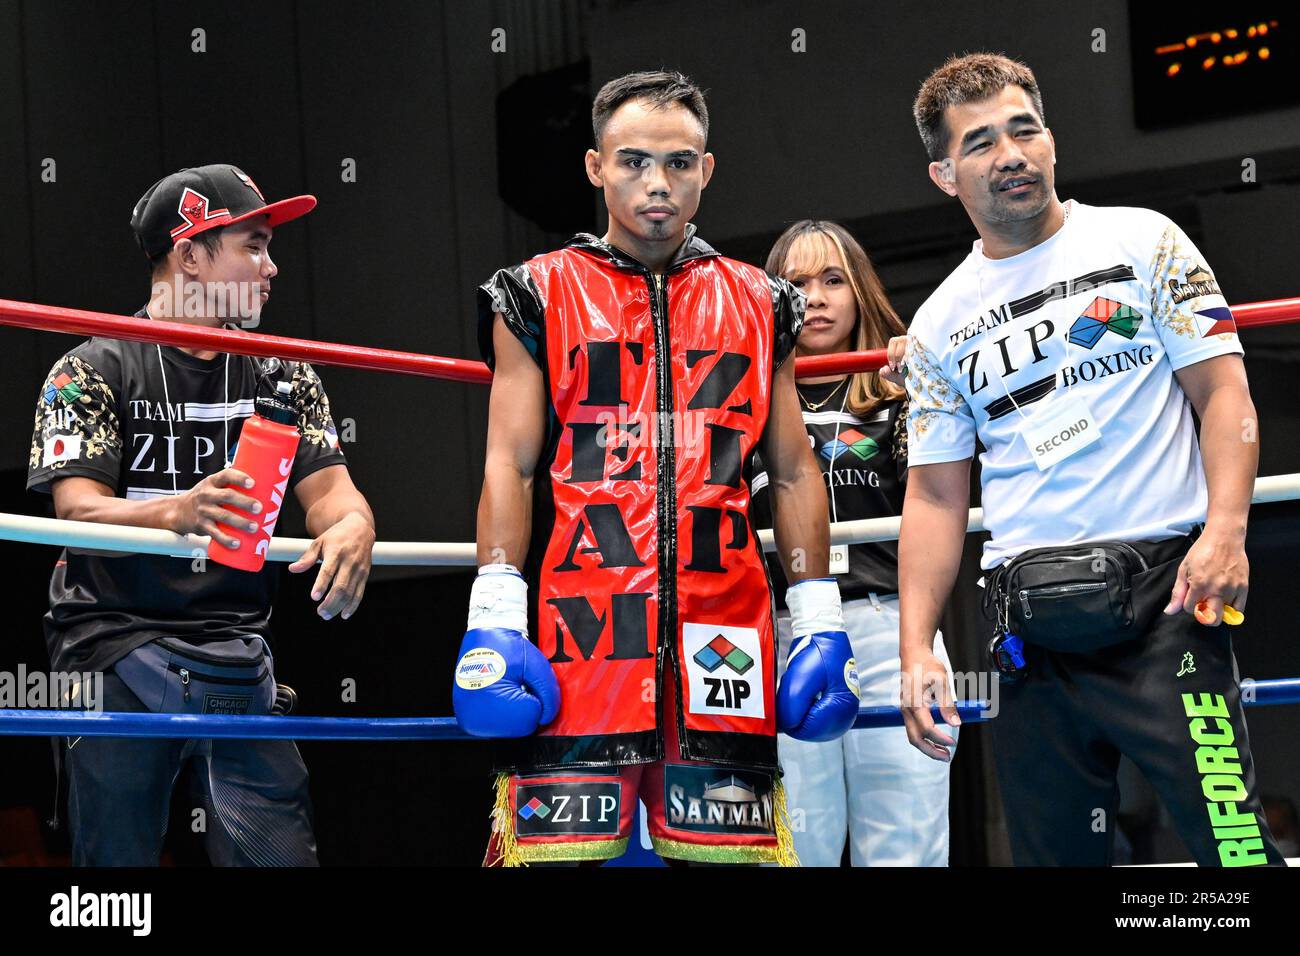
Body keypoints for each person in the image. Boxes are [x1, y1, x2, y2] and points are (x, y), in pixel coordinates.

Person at [453, 71, 860, 866]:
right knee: (566, 856)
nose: (656, 184)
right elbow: (511, 460)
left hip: (724, 632)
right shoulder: (535, 293)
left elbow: (794, 471)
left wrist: (818, 616)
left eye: (679, 163)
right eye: (633, 161)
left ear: (706, 170)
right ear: (595, 167)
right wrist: (494, 611)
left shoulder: (760, 299)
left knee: (724, 858)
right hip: (582, 632)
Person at [896, 53, 1284, 866]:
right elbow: (934, 496)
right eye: (979, 142)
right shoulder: (937, 325)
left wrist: (1227, 530)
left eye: (1023, 129)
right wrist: (916, 647)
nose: (1010, 153)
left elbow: (1226, 398)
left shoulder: (1145, 240)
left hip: (1169, 602)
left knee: (1235, 852)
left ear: (1052, 140)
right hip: (1026, 633)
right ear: (943, 173)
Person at [27, 164, 376, 866]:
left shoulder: (285, 373)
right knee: (113, 879)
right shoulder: (88, 368)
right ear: (190, 255)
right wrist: (175, 513)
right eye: (253, 245)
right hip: (110, 643)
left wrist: (352, 525)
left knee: (280, 858)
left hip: (236, 649)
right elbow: (76, 509)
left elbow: (333, 492)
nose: (272, 267)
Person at [751, 220, 956, 866]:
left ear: (860, 290)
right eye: (796, 283)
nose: (814, 297)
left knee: (905, 846)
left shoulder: (899, 389)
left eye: (832, 279)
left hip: (892, 625)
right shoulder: (745, 399)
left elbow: (944, 493)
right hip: (784, 633)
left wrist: (924, 380)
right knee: (796, 846)